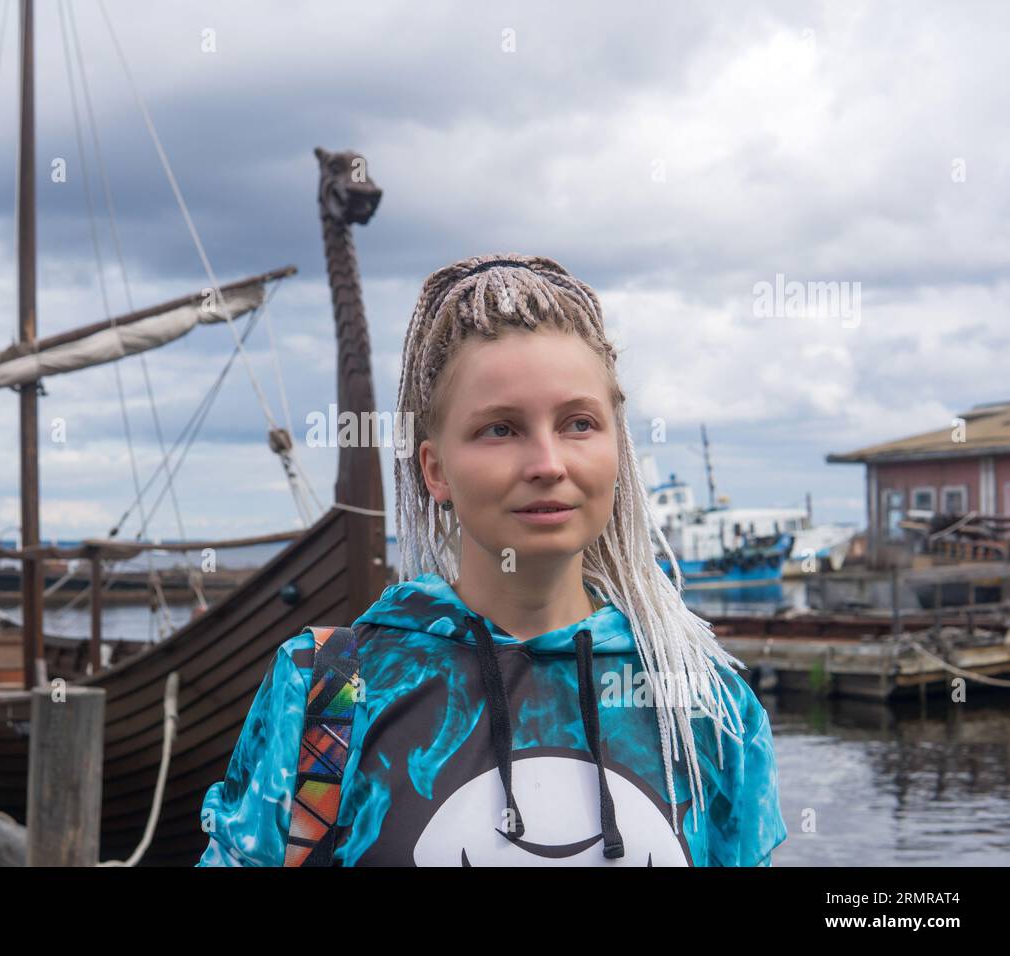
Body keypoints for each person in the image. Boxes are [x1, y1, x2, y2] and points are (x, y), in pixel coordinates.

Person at [195, 253, 788, 866]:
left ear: (619, 449)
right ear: (435, 470)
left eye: (578, 423)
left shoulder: (704, 702)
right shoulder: (329, 690)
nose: (548, 464)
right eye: (500, 429)